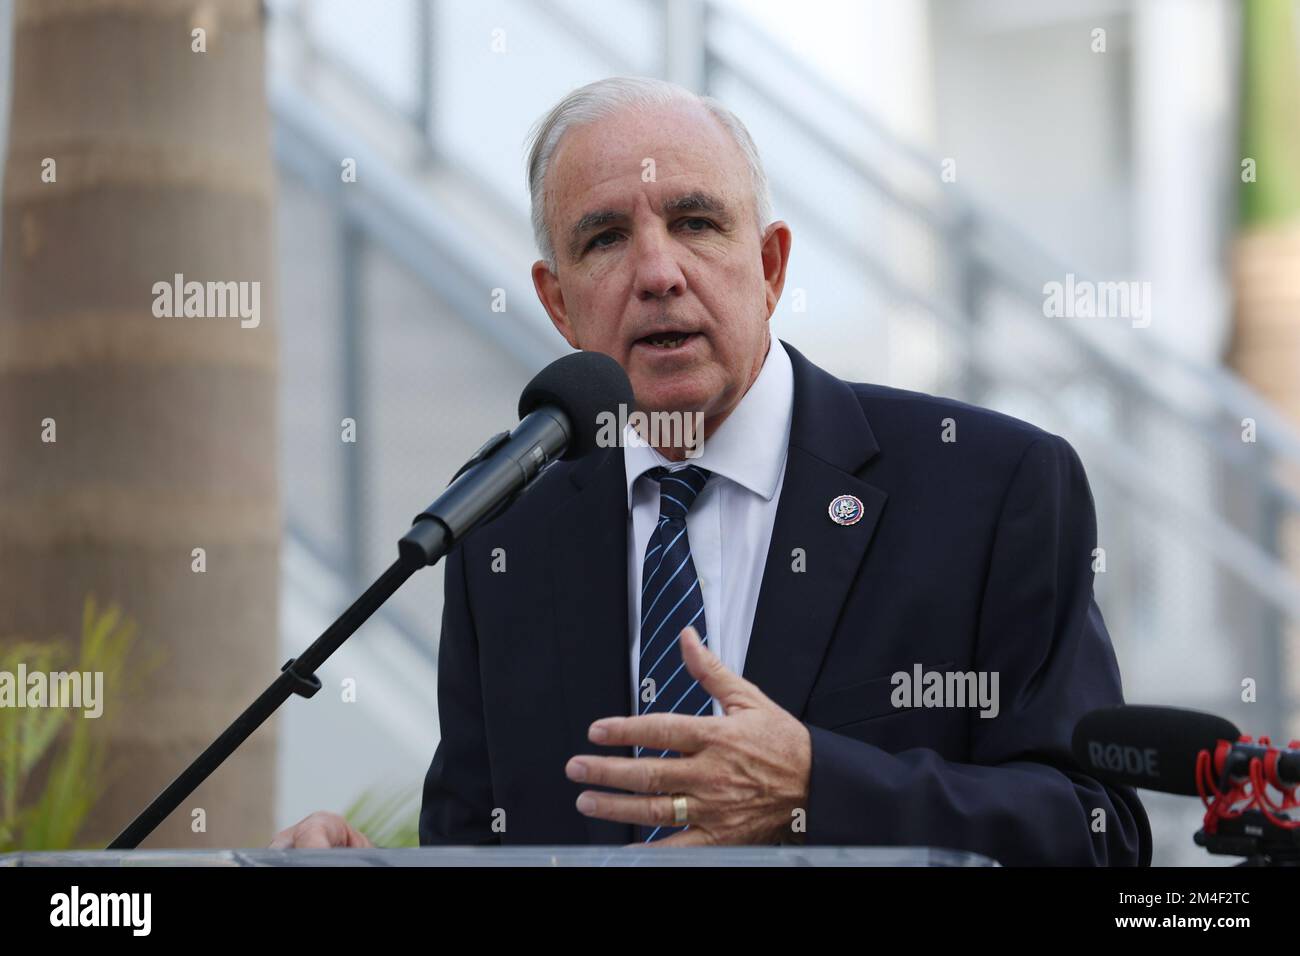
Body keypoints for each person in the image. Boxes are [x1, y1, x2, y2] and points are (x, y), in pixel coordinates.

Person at [273, 76, 1151, 865]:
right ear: (558, 303)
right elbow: (480, 846)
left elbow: (1097, 832)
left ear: (769, 267)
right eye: (606, 239)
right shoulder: (506, 522)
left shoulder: (990, 489)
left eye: (695, 222)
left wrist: (817, 786)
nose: (658, 273)